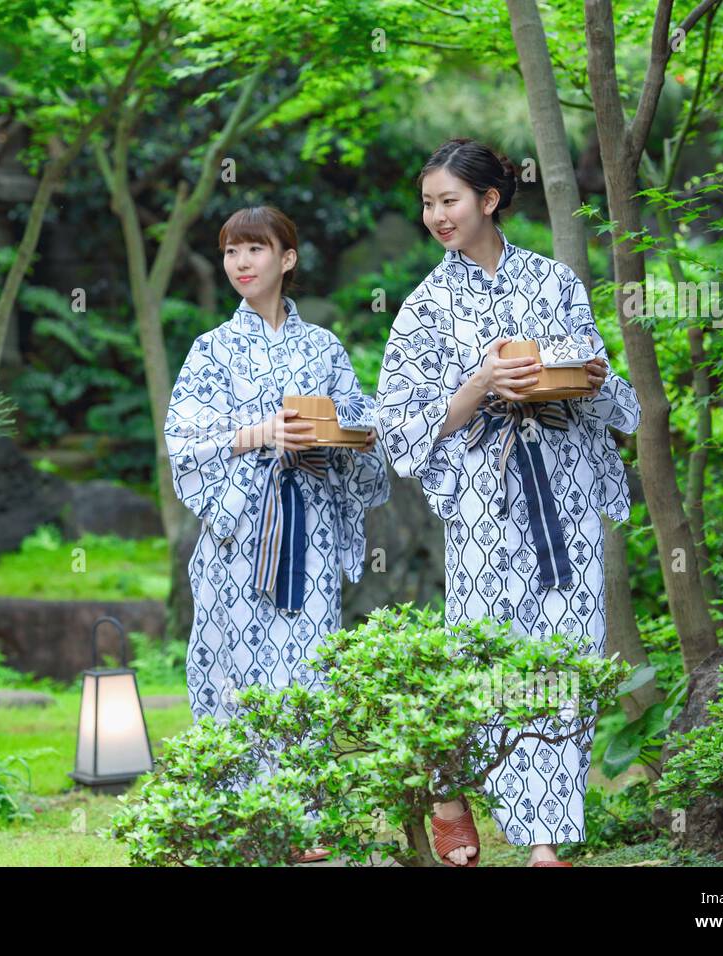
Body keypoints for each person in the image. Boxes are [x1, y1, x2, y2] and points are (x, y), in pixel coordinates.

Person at [374, 138, 641, 867]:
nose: (435, 215)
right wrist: (482, 384)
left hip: (565, 496)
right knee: (485, 658)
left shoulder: (554, 282)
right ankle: (449, 786)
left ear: (489, 200)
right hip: (488, 503)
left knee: (562, 660)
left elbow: (608, 392)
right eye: (427, 203)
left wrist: (573, 375)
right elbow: (399, 429)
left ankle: (544, 844)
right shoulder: (425, 308)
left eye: (448, 200)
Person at [165, 204, 390, 863]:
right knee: (237, 669)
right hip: (239, 535)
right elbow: (184, 443)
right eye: (232, 251)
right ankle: (242, 813)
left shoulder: (323, 347)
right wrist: (264, 432)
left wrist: (334, 435)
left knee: (308, 665)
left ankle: (307, 815)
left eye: (255, 249)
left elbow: (360, 425)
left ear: (286, 260)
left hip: (310, 529)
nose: (241, 263)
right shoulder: (211, 349)